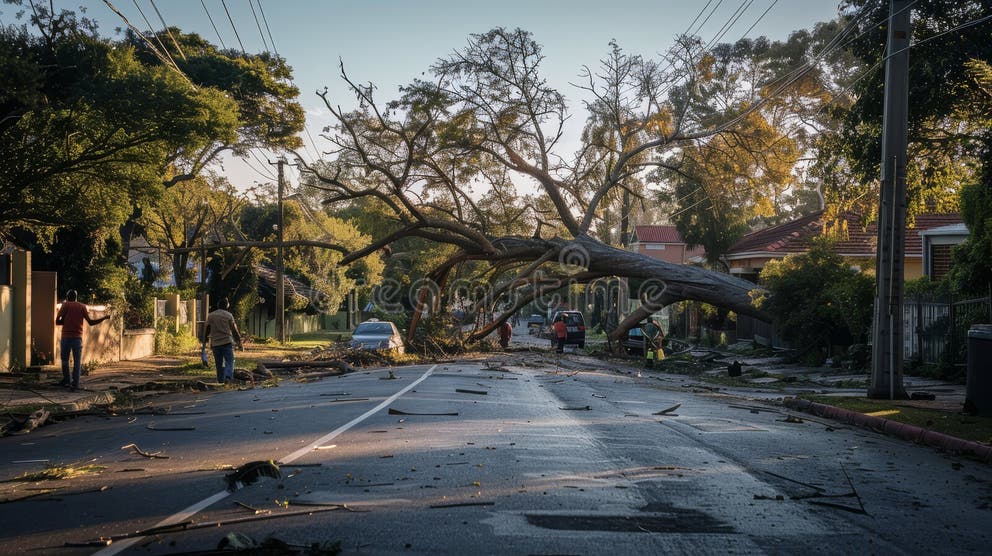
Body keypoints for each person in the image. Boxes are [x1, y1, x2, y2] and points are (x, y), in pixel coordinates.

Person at [55, 290, 111, 391]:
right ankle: (75, 384)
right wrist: (104, 318)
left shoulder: (65, 305)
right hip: (77, 338)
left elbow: (57, 321)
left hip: (66, 337)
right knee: (77, 362)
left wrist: (65, 320)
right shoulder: (82, 307)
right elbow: (90, 322)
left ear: (67, 297)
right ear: (76, 297)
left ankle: (66, 381)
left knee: (64, 361)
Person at [202, 298, 242, 384]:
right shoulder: (229, 315)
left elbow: (208, 329)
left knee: (218, 363)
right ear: (227, 305)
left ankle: (220, 380)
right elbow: (234, 330)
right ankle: (228, 376)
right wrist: (239, 342)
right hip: (227, 342)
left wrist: (205, 340)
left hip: (215, 343)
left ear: (218, 305)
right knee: (230, 361)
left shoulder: (211, 315)